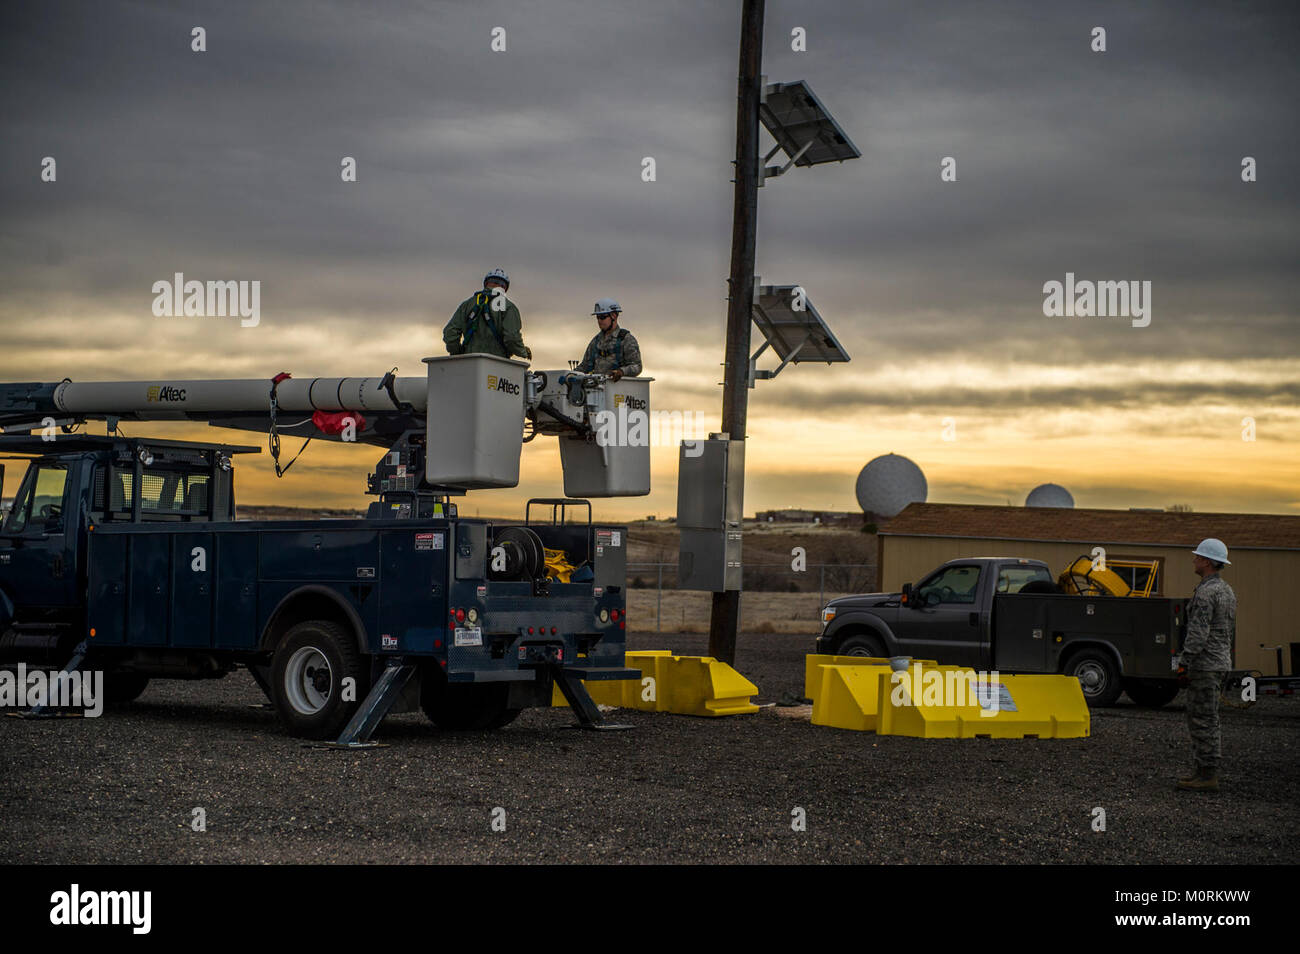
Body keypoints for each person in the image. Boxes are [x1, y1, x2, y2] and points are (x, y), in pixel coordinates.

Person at [1176, 537, 1237, 792]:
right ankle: (1203, 771)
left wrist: (1184, 662)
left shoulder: (1205, 592)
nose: (1194, 560)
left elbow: (1198, 633)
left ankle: (1206, 774)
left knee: (1202, 719)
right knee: (1210, 718)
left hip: (1205, 664)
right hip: (1220, 661)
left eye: (1198, 557)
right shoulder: (1227, 591)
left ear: (1207, 562)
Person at [443, 268, 532, 360]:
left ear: (486, 284)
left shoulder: (467, 305)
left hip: (468, 363)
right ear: (505, 288)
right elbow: (512, 338)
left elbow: (450, 333)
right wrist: (523, 352)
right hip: (497, 364)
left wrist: (457, 354)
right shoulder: (509, 307)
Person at [575, 298, 641, 380]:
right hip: (597, 390)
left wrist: (622, 372)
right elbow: (584, 366)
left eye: (602, 317)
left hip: (619, 389)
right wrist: (571, 375)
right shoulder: (596, 341)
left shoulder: (626, 340)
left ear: (614, 316)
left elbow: (637, 367)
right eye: (597, 317)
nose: (599, 321)